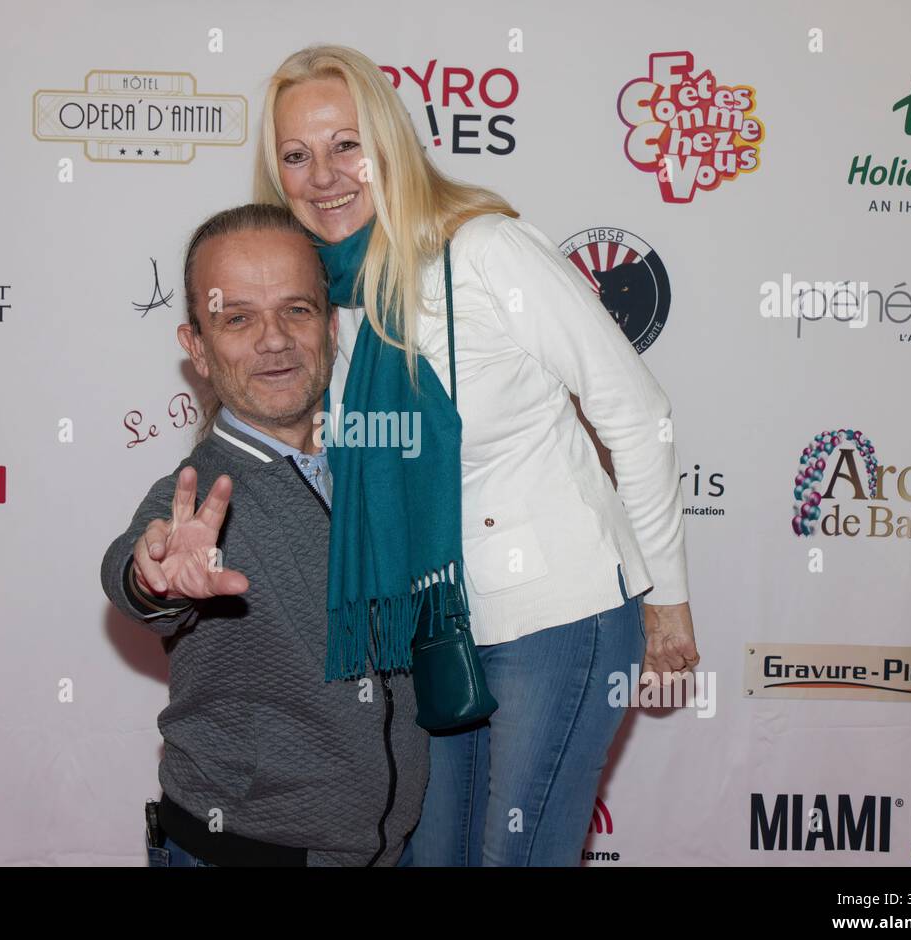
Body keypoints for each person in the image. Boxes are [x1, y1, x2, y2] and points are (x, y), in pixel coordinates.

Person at [252, 44, 701, 866]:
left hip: (557, 616)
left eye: (345, 144)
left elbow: (637, 413)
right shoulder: (322, 303)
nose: (324, 175)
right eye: (296, 154)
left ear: (388, 143)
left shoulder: (486, 252)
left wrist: (666, 599)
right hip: (435, 629)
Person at [99, 203, 429, 867]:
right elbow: (135, 569)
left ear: (331, 327)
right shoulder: (200, 496)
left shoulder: (380, 466)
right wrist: (153, 574)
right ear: (196, 345)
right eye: (238, 317)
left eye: (297, 310)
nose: (274, 339)